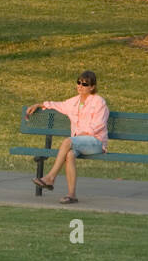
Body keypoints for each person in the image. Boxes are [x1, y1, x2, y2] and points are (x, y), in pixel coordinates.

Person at [25, 70, 108, 204]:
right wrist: (39, 104)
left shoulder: (99, 102)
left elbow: (99, 124)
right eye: (79, 82)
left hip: (95, 142)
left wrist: (82, 134)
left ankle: (50, 177)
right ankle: (72, 195)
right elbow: (58, 105)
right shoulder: (73, 102)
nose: (80, 86)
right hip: (77, 143)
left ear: (92, 87)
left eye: (85, 84)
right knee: (69, 154)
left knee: (67, 141)